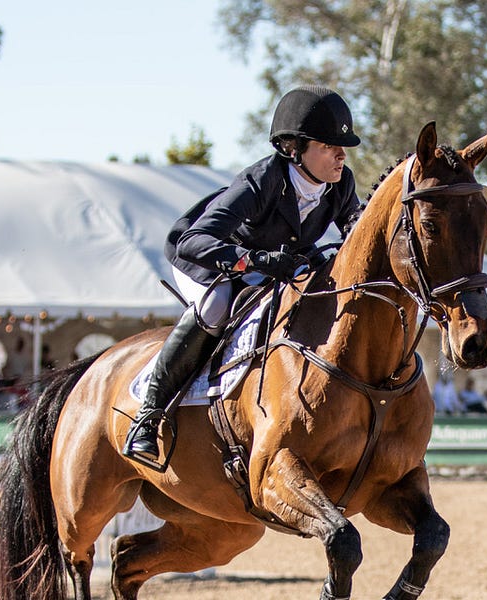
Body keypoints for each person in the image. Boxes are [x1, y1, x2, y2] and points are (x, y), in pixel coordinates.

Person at [123, 85, 363, 462]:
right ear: (293, 148)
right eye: (328, 146)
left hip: (269, 268)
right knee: (216, 307)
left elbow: (358, 238)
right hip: (209, 261)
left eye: (342, 147)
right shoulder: (261, 182)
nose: (340, 155)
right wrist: (253, 261)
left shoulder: (340, 185)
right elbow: (194, 241)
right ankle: (147, 417)